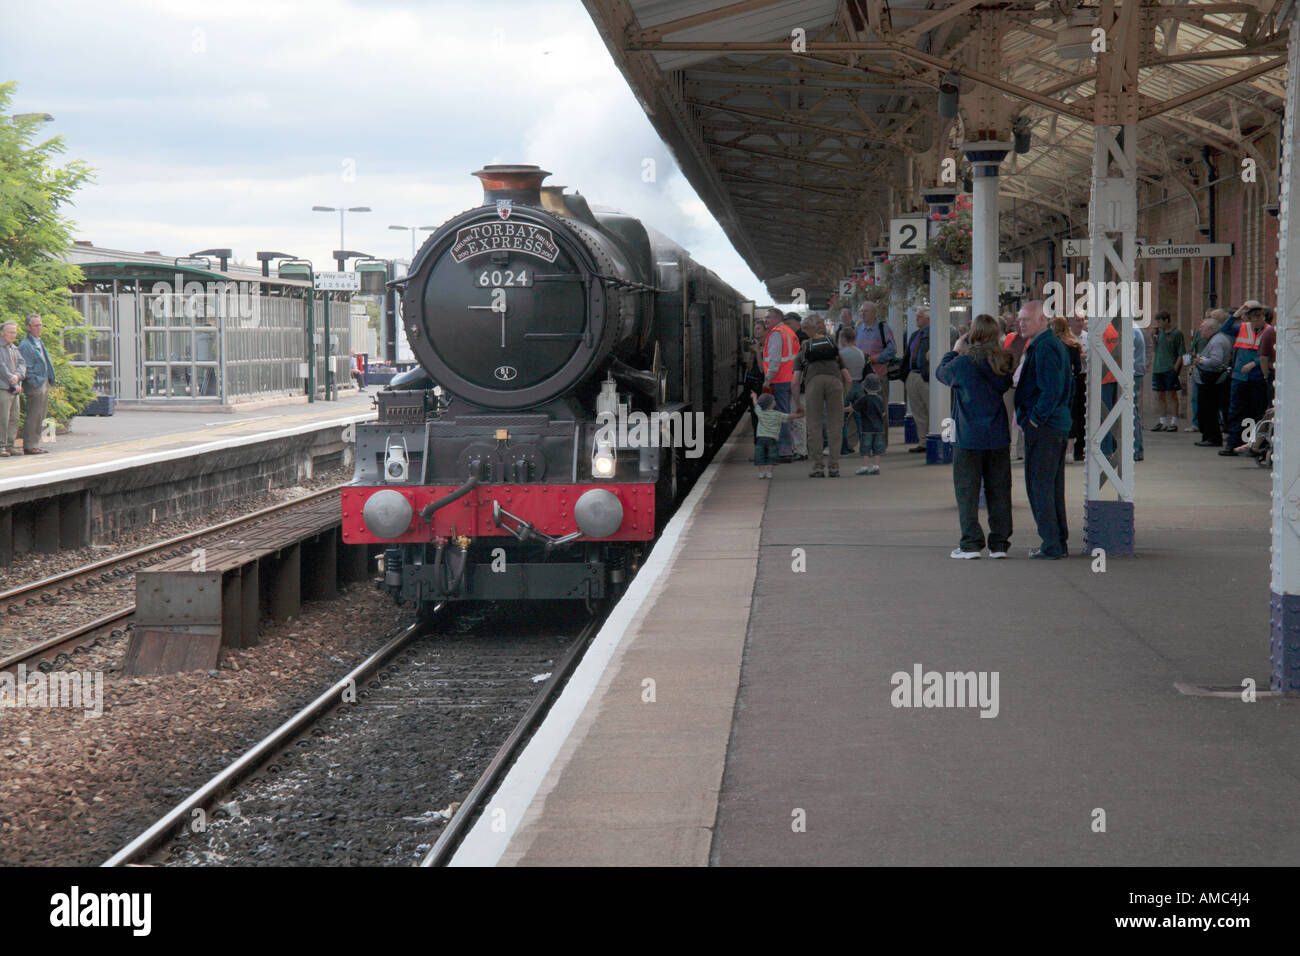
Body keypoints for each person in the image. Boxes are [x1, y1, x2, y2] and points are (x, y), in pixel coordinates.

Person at [936, 313, 1014, 559]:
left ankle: (970, 544)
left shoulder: (963, 363)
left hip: (968, 436)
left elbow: (941, 373)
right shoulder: (1004, 361)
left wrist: (954, 350)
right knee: (999, 490)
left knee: (967, 491)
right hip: (998, 435)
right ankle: (999, 544)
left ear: (972, 334)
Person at [1014, 300, 1073, 559]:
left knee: (1039, 486)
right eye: (1019, 319)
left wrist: (1034, 420)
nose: (1020, 323)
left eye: (1026, 319)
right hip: (1054, 425)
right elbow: (1066, 388)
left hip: (1046, 428)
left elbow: (1052, 389)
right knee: (1051, 486)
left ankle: (1051, 544)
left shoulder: (1045, 347)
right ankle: (1057, 541)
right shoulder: (1050, 345)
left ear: (1042, 321)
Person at [793, 315, 851, 478]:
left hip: (813, 385)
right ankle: (834, 467)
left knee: (814, 426)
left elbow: (795, 382)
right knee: (835, 427)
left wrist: (798, 404)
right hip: (835, 383)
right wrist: (844, 398)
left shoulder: (804, 347)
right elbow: (848, 378)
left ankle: (818, 467)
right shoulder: (832, 345)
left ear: (806, 329)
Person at [1221, 302, 1269, 456]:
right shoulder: (1242, 328)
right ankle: (1233, 444)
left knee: (1256, 412)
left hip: (1257, 377)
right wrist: (1235, 314)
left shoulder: (1269, 331)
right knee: (1236, 411)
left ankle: (1251, 444)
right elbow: (1224, 329)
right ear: (1248, 318)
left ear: (1263, 316)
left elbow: (1268, 354)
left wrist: (1253, 363)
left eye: (1258, 316)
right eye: (1252, 316)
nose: (1256, 319)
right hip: (1240, 378)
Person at [762, 308, 799, 460]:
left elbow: (775, 360)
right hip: (790, 378)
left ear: (777, 318)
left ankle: (784, 451)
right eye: (765, 317)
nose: (766, 320)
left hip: (780, 380)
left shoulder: (776, 334)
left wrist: (768, 378)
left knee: (781, 416)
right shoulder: (789, 332)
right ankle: (788, 448)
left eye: (769, 317)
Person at [1191, 312, 1232, 448]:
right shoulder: (1218, 339)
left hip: (1211, 381)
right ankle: (1209, 436)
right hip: (1212, 380)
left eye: (1203, 327)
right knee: (1208, 409)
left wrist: (1200, 359)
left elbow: (1216, 360)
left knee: (1208, 409)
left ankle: (1212, 437)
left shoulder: (1217, 341)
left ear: (1211, 329)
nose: (1200, 330)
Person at [18, 313, 55, 455]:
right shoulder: (26, 344)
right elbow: (25, 367)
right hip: (36, 384)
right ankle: (30, 445)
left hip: (43, 382)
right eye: (36, 325)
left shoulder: (38, 341)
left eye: (40, 325)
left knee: (41, 415)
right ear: (28, 327)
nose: (39, 328)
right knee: (34, 414)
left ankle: (36, 443)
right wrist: (34, 383)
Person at [1051, 316, 1085, 463]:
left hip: (1057, 385)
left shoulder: (1053, 345)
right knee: (1076, 416)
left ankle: (1060, 449)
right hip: (1074, 384)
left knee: (1059, 415)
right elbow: (1078, 368)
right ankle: (1072, 451)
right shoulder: (1074, 345)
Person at [750, 391, 802, 479]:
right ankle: (769, 472)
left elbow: (756, 405)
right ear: (770, 404)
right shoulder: (777, 414)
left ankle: (761, 472)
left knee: (760, 455)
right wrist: (799, 415)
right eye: (773, 400)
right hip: (772, 439)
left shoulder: (761, 413)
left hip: (761, 439)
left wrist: (754, 397)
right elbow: (788, 416)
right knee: (772, 456)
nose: (775, 401)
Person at [1150, 311, 1184, 432]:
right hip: (1158, 368)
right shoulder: (1159, 333)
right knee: (1159, 395)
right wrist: (1153, 337)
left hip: (1169, 368)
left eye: (1159, 321)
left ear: (1166, 320)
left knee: (1171, 395)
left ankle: (1174, 422)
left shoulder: (1177, 334)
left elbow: (1181, 353)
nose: (1158, 324)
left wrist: (1175, 368)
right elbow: (1155, 349)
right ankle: (1162, 421)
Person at [903, 308, 931, 452]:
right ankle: (923, 442)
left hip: (925, 376)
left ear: (928, 319)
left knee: (930, 408)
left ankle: (937, 437)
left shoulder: (933, 334)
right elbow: (908, 354)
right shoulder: (914, 335)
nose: (916, 319)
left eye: (919, 317)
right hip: (913, 375)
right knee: (917, 410)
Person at [851, 373, 887, 475]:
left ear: (865, 387)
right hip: (879, 429)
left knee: (865, 448)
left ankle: (865, 466)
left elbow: (854, 409)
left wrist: (845, 409)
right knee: (877, 448)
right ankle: (876, 466)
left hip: (867, 428)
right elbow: (883, 413)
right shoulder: (880, 399)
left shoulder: (864, 399)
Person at [0, 320, 26, 457]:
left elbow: (22, 364)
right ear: (2, 333)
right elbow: (1, 367)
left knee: (14, 417)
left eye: (14, 332)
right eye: (10, 332)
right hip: (3, 388)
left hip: (15, 387)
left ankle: (10, 445)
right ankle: (1, 446)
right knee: (2, 418)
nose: (13, 335)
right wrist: (11, 378)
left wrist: (17, 376)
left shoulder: (14, 348)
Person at [838, 327, 866, 454]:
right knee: (860, 419)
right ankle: (864, 447)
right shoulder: (860, 353)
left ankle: (844, 448)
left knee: (842, 419)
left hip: (845, 385)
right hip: (859, 386)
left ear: (843, 339)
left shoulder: (841, 354)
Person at [854, 300, 896, 381]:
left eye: (866, 311)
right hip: (860, 377)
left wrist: (874, 359)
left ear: (873, 313)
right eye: (862, 311)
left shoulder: (883, 328)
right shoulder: (858, 330)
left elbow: (892, 350)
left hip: (878, 375)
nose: (863, 314)